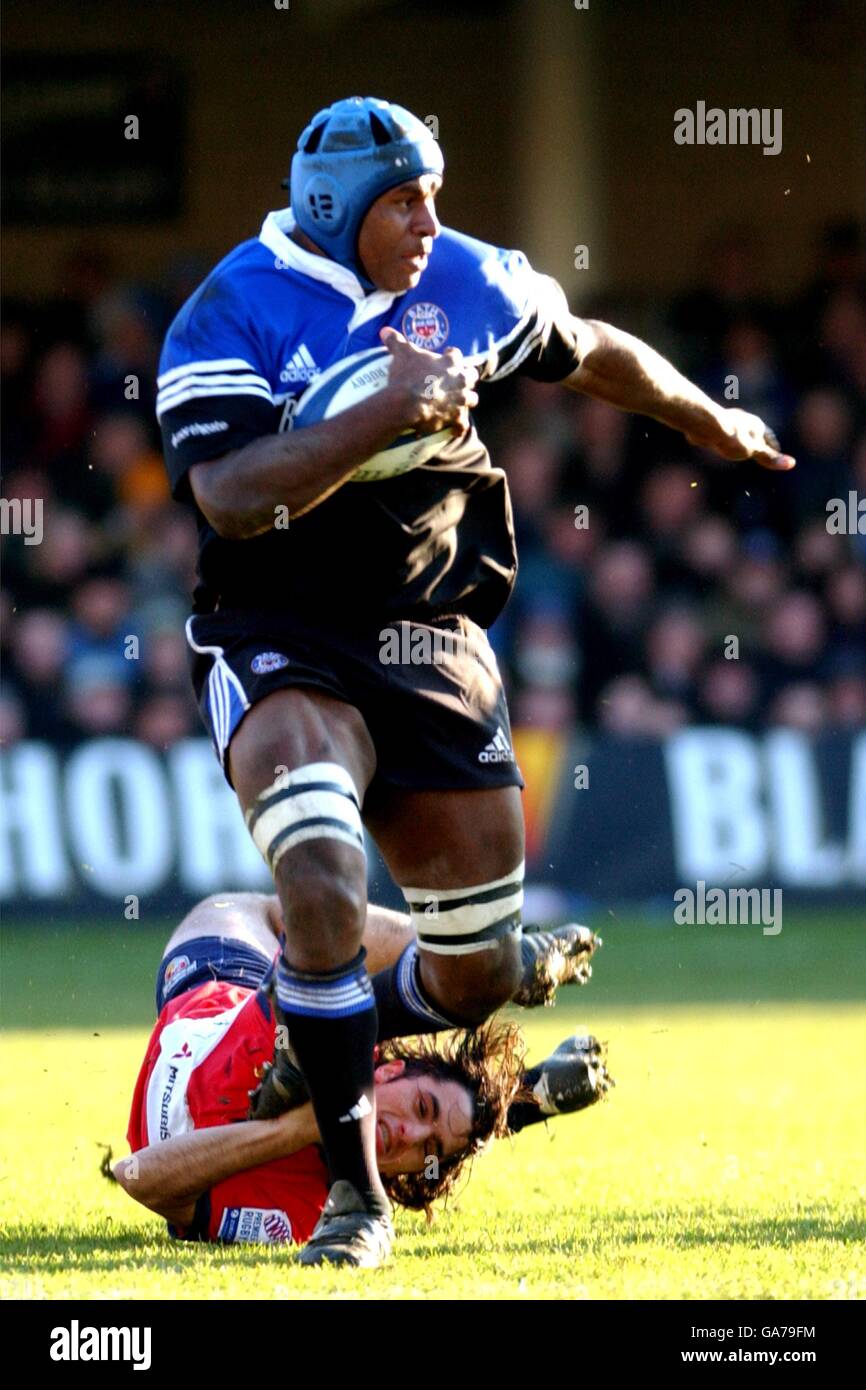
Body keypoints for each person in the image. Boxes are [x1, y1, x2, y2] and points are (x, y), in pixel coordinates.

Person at [156, 96, 794, 1266]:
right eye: (405, 199)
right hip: (282, 629)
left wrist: (706, 418)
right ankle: (356, 1203)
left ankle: (334, 1016)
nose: (428, 219)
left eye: (434, 194)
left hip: (434, 640)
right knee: (318, 874)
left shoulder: (468, 278)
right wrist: (387, 412)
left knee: (470, 978)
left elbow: (587, 345)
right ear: (332, 206)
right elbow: (232, 497)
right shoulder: (229, 311)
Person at [111, 891, 611, 1245]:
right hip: (222, 967)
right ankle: (486, 964)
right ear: (388, 1074)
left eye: (427, 1151)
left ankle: (483, 983)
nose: (408, 1135)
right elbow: (317, 919)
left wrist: (296, 1130)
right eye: (420, 1107)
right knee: (303, 916)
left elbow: (136, 1177)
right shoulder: (289, 1035)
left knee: (327, 1003)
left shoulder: (320, 1214)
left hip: (210, 1012)